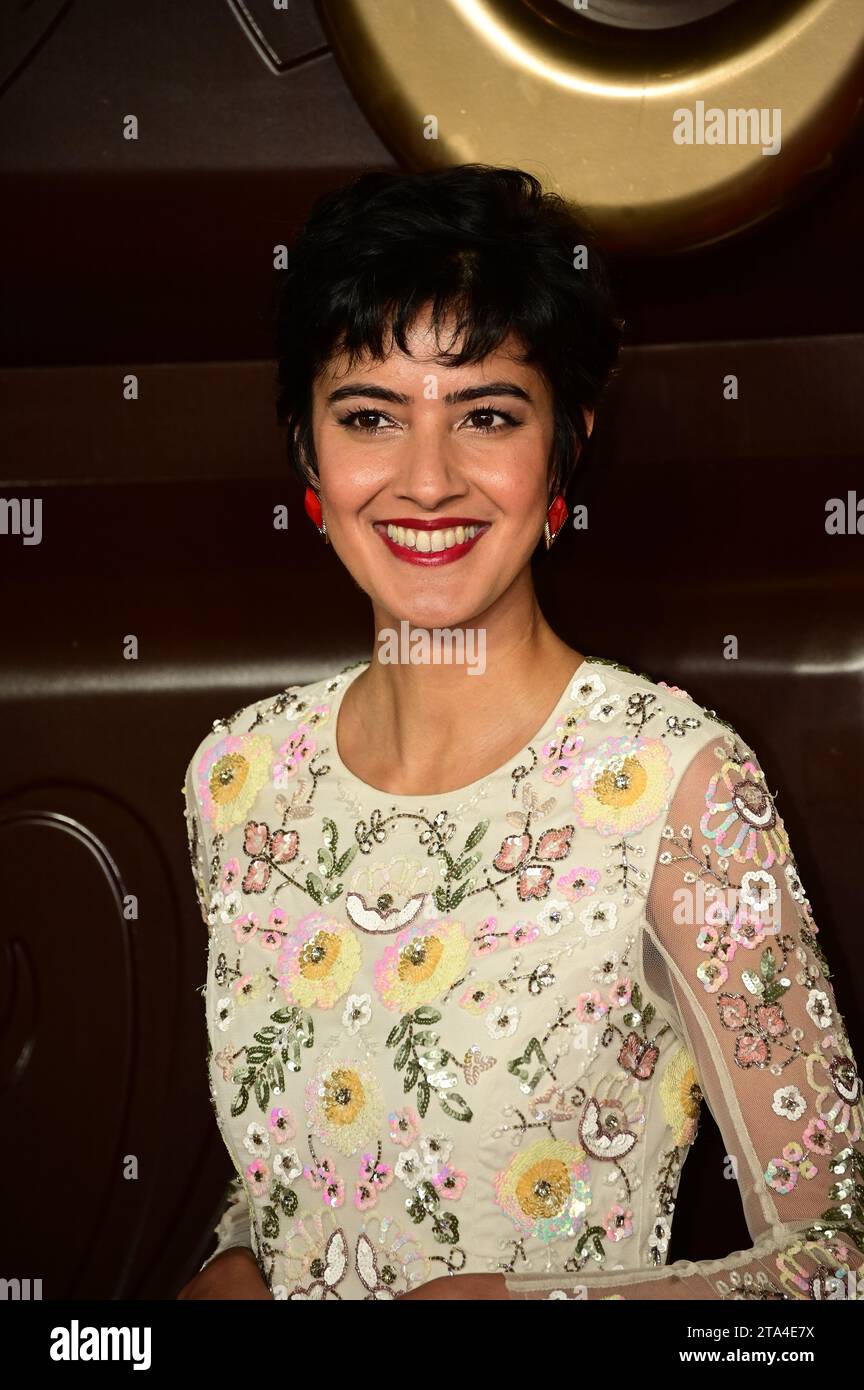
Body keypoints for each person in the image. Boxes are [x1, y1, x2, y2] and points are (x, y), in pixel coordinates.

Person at [178, 165, 863, 1300]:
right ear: (307, 455)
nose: (429, 480)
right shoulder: (241, 778)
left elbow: (838, 1265)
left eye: (487, 414)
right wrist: (237, 1256)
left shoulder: (677, 787)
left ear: (566, 447)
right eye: (369, 417)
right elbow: (312, 1157)